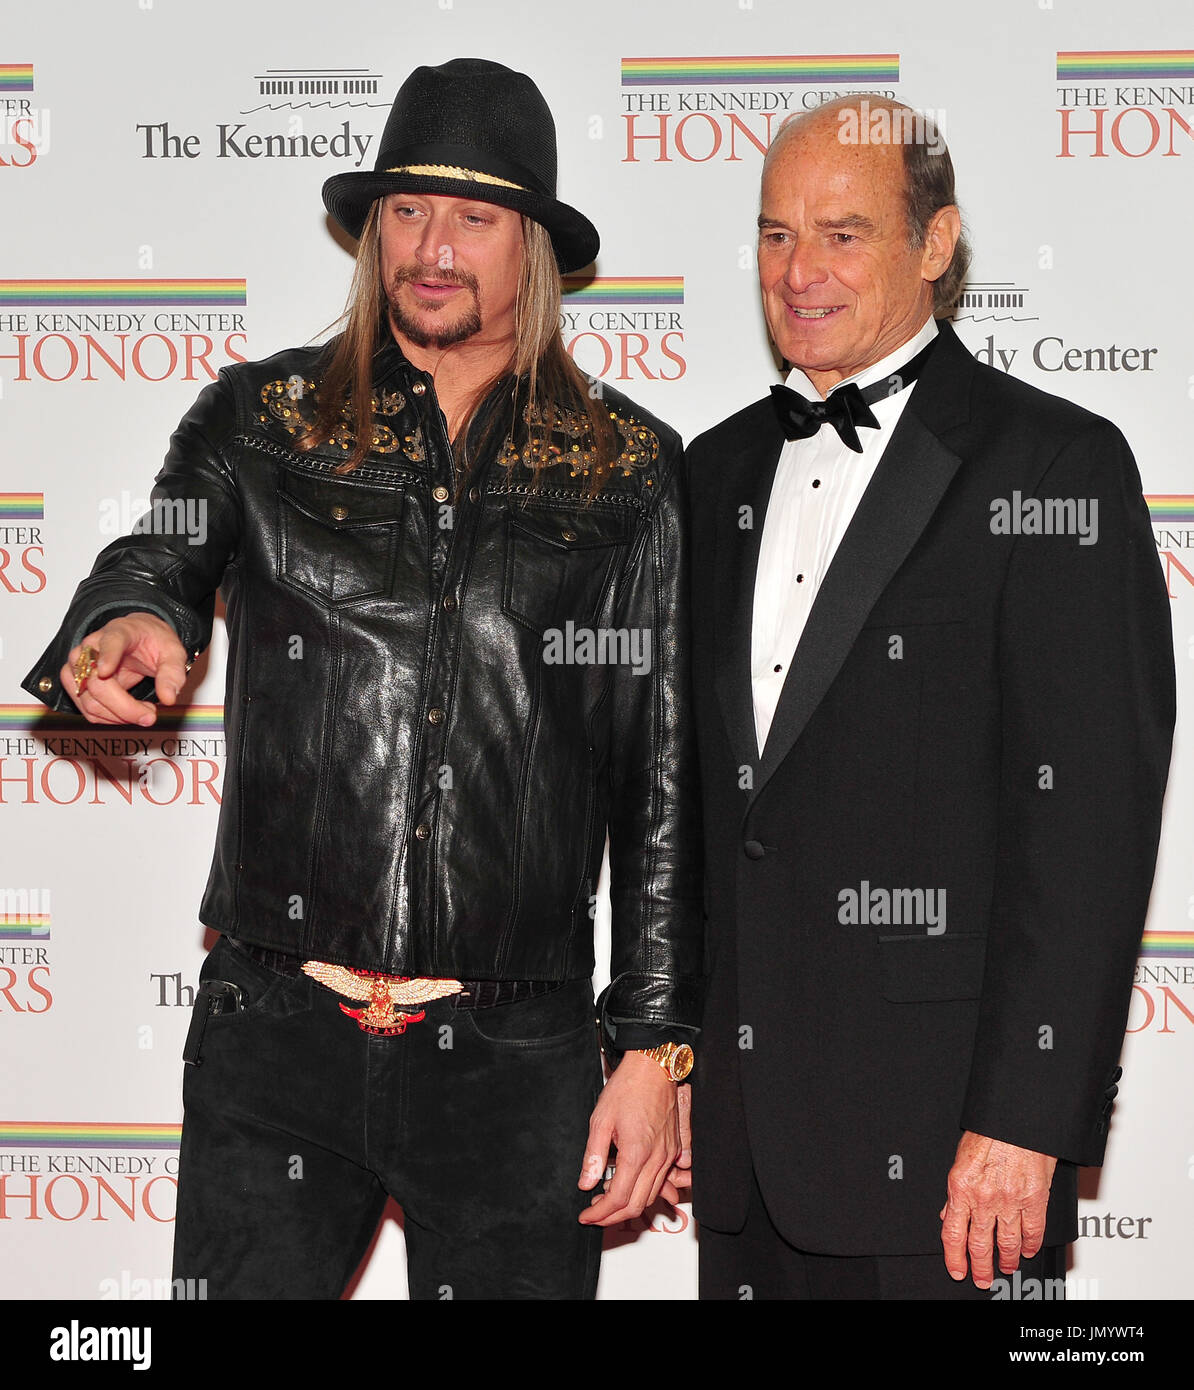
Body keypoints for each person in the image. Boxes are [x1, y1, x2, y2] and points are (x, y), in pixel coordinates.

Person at [22, 57, 702, 1301]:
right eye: (405, 211)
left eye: (474, 217)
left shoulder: (628, 469)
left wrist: (657, 1044)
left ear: (534, 245)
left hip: (515, 1053)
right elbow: (159, 550)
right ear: (371, 224)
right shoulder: (260, 419)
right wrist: (127, 619)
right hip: (278, 1036)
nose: (432, 249)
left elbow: (664, 778)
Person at [685, 95, 1174, 1300]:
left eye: (843, 234)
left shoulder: (1057, 465)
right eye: (775, 234)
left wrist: (1026, 1122)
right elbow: (698, 813)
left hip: (954, 1172)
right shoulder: (712, 472)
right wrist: (667, 1052)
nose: (799, 272)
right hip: (746, 1162)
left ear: (937, 243)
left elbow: (1090, 828)